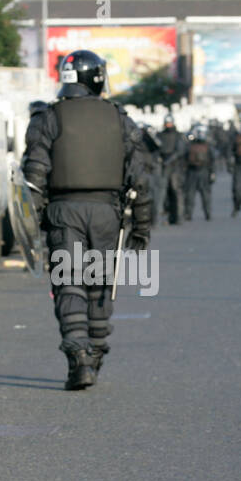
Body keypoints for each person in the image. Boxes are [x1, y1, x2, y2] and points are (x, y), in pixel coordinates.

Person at [20, 49, 152, 390]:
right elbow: (140, 177)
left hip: (64, 213)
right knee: (99, 286)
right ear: (97, 78)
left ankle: (78, 356)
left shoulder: (47, 118)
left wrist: (29, 229)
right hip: (107, 214)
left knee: (69, 284)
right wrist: (142, 225)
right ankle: (94, 352)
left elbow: (33, 177)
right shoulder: (119, 118)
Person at [156, 113, 187, 225]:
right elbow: (157, 148)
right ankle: (165, 216)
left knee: (176, 191)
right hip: (163, 167)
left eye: (170, 122)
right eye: (167, 123)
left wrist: (168, 161)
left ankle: (178, 216)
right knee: (163, 192)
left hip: (175, 167)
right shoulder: (160, 135)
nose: (168, 125)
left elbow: (180, 151)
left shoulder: (178, 135)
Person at [183, 125, 213, 221]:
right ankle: (188, 214)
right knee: (190, 195)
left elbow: (212, 160)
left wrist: (212, 173)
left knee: (205, 195)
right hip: (192, 172)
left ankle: (207, 213)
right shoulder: (189, 145)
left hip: (203, 171)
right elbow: (184, 159)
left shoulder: (208, 145)